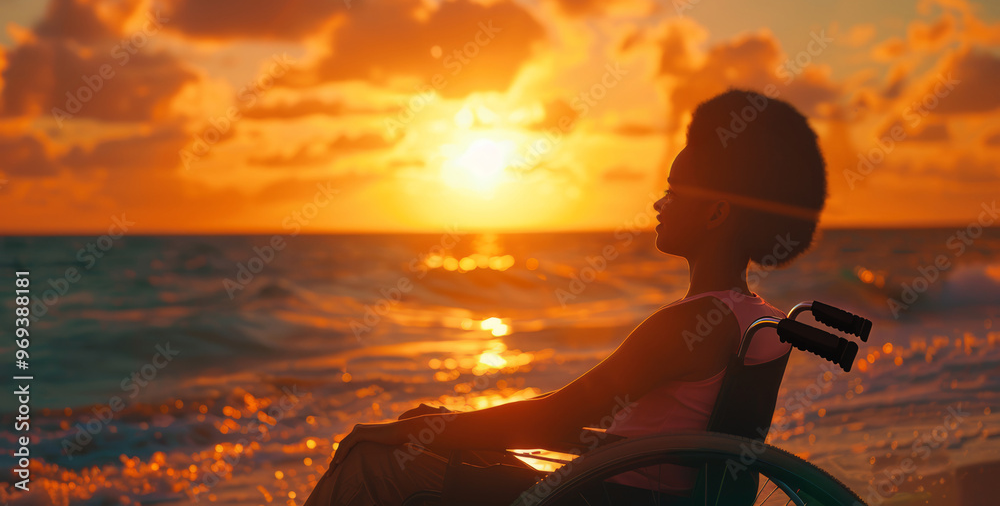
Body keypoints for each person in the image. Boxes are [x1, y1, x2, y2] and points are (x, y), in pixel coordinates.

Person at [303, 88, 828, 505]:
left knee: (371, 459)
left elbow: (555, 418)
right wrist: (436, 426)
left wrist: (417, 434)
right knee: (416, 429)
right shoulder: (757, 319)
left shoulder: (693, 324)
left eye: (673, 190)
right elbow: (665, 450)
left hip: (603, 497)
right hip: (622, 487)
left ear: (715, 213)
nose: (658, 202)